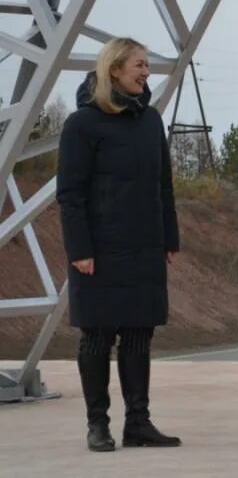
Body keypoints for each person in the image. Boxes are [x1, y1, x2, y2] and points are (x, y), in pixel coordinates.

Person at [56, 37, 182, 452]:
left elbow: (163, 185)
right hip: (101, 250)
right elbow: (70, 194)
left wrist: (169, 237)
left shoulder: (151, 121)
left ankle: (138, 423)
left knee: (139, 336)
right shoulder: (82, 124)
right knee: (96, 338)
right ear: (114, 70)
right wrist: (79, 250)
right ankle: (98, 425)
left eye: (147, 66)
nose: (147, 72)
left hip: (145, 246)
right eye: (140, 65)